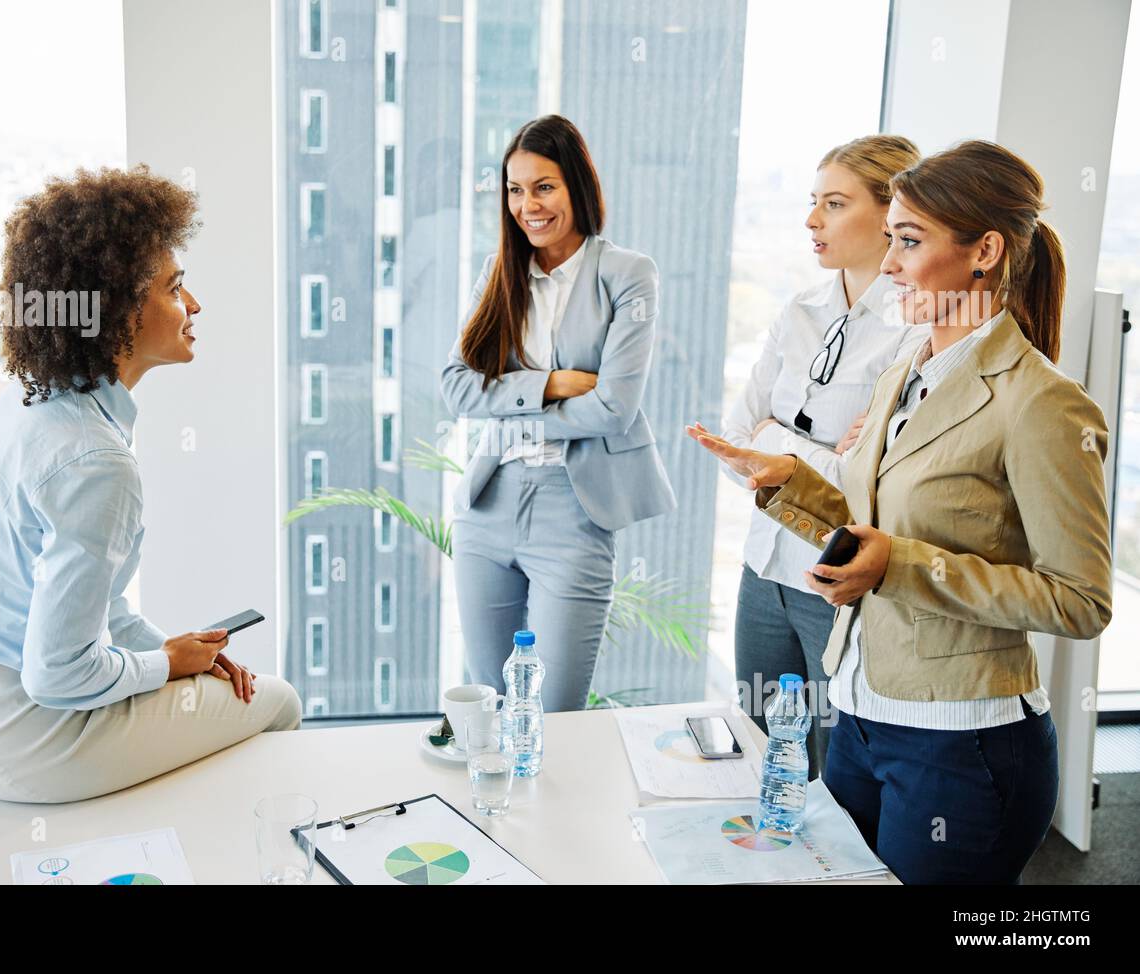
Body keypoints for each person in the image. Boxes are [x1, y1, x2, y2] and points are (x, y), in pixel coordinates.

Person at [688, 140, 1112, 884]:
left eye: (908, 243)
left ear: (983, 251)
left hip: (962, 745)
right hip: (860, 717)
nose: (888, 265)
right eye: (890, 240)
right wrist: (787, 481)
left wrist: (903, 567)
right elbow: (870, 520)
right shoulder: (907, 368)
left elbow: (1081, 601)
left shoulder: (1042, 403)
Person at [0, 166, 301, 804]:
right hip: (22, 737)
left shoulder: (30, 405)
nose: (195, 305)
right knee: (277, 700)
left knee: (210, 693)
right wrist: (166, 666)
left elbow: (86, 608)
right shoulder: (94, 459)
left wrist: (174, 651)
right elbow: (58, 673)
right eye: (176, 287)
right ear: (118, 306)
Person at [442, 115, 676, 712]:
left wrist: (509, 405)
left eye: (544, 186)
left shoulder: (628, 273)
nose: (528, 205)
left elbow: (614, 409)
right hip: (487, 507)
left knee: (556, 715)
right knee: (488, 707)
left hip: (574, 512)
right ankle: (490, 810)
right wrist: (550, 384)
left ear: (577, 184)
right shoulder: (499, 275)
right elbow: (456, 388)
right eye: (515, 190)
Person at [724, 135, 923, 781]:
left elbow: (871, 484)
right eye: (814, 202)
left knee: (836, 766)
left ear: (891, 214)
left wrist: (776, 438)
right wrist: (813, 453)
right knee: (759, 745)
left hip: (835, 579)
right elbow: (735, 441)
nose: (812, 221)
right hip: (763, 569)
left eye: (834, 204)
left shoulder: (917, 331)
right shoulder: (799, 311)